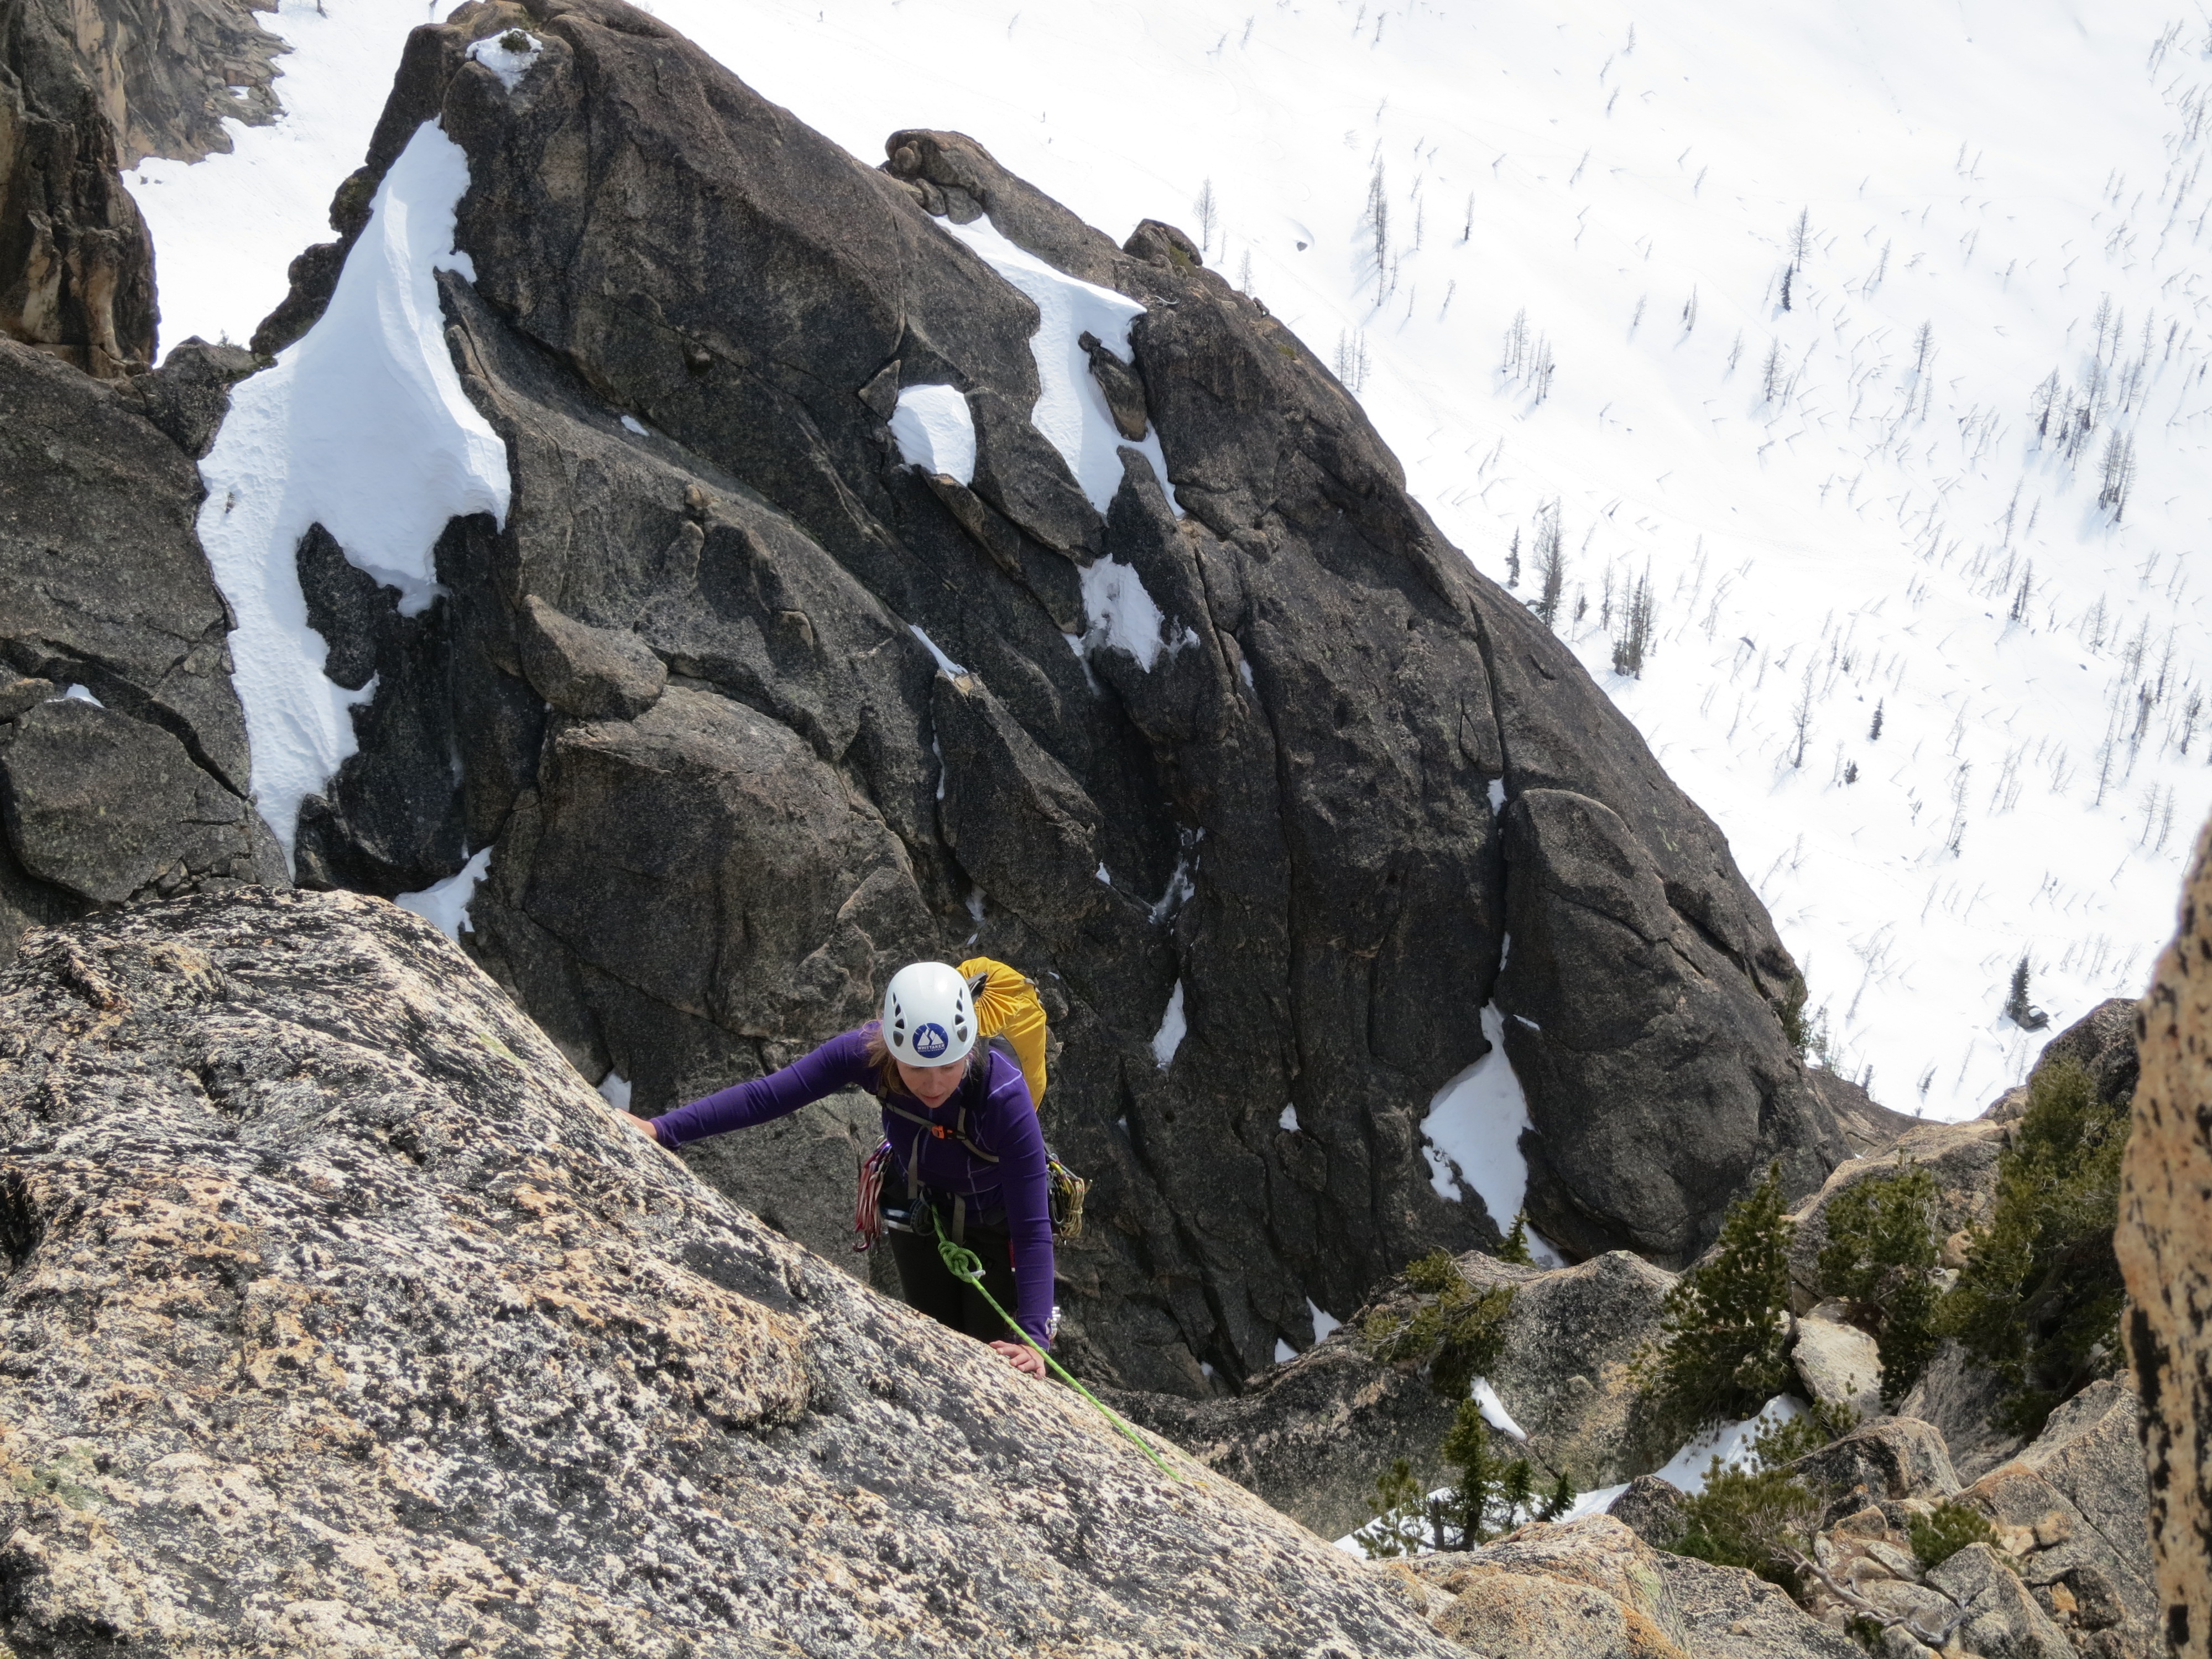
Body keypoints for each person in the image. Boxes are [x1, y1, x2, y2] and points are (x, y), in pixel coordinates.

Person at [624, 961, 1053, 1378]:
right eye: (917, 1068)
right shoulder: (867, 1054)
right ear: (890, 1046)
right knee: (934, 1345)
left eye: (948, 1066)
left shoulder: (1004, 1097)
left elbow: (1031, 1226)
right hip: (920, 1211)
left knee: (987, 1360)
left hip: (994, 1227)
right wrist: (662, 1130)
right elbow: (767, 1097)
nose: (935, 1084)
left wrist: (1033, 1337)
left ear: (968, 1048)